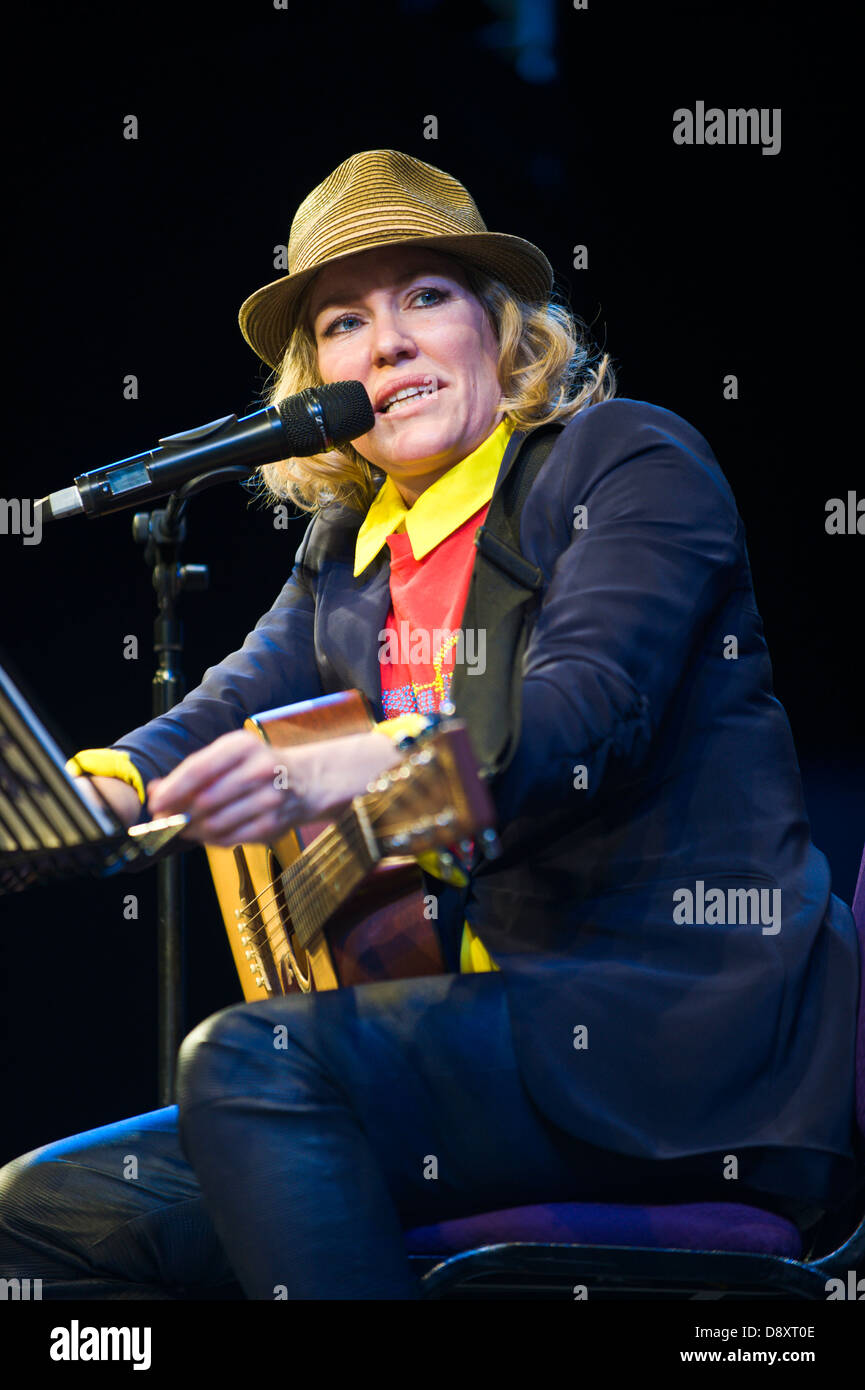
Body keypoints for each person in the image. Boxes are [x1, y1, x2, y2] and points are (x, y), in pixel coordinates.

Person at [0, 149, 859, 1300]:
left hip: (676, 1048)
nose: (387, 343)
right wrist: (96, 793)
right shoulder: (348, 557)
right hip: (480, 1055)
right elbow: (224, 704)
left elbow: (582, 715)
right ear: (319, 384)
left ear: (501, 331)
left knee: (256, 1061)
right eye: (344, 323)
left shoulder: (624, 461)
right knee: (49, 1211)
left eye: (424, 297)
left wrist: (371, 761)